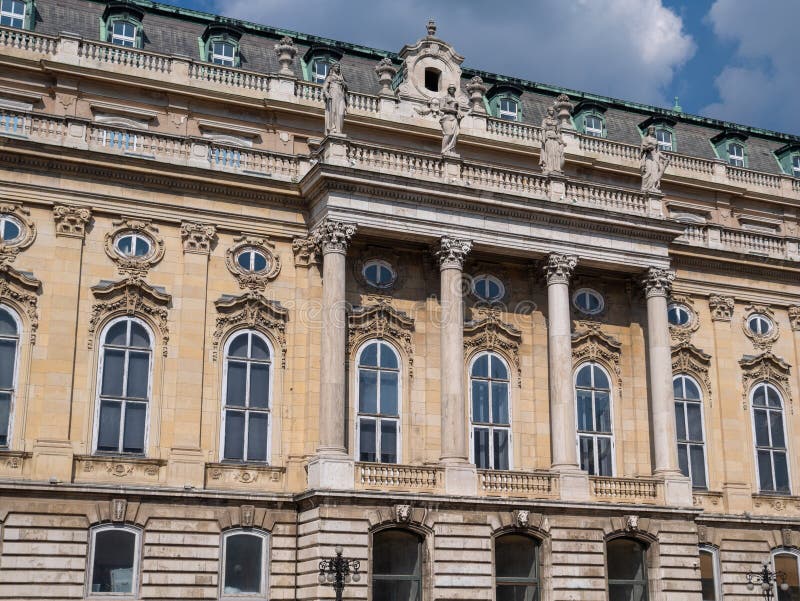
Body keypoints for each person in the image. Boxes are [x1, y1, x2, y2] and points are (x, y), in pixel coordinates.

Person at [640, 125, 670, 192]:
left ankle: (653, 187)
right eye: (651, 130)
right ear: (648, 131)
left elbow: (658, 152)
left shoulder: (656, 140)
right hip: (649, 157)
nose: (652, 131)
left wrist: (665, 158)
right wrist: (648, 148)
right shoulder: (646, 139)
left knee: (654, 173)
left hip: (655, 157)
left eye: (653, 130)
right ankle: (645, 188)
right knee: (648, 172)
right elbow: (642, 149)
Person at [322, 63, 347, 136]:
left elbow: (346, 89)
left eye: (339, 67)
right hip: (333, 94)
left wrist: (344, 84)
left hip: (341, 95)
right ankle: (333, 128)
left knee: (341, 113)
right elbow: (324, 87)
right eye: (336, 66)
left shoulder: (342, 78)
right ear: (332, 68)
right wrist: (326, 93)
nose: (338, 68)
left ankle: (339, 129)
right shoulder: (330, 77)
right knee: (333, 111)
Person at [539, 107, 564, 175]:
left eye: (553, 110)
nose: (552, 111)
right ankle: (549, 167)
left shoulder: (556, 121)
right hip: (548, 137)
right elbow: (543, 129)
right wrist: (544, 138)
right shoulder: (545, 120)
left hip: (555, 138)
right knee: (549, 153)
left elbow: (558, 132)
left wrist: (560, 140)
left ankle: (556, 168)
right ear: (548, 111)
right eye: (550, 110)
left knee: (556, 153)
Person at [439, 84, 462, 155]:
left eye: (454, 89)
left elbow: (458, 111)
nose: (452, 90)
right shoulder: (444, 98)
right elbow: (442, 108)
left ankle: (451, 150)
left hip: (454, 118)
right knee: (448, 134)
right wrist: (452, 110)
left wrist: (459, 114)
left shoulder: (456, 100)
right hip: (447, 118)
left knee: (454, 135)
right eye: (451, 89)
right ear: (448, 90)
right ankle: (444, 150)